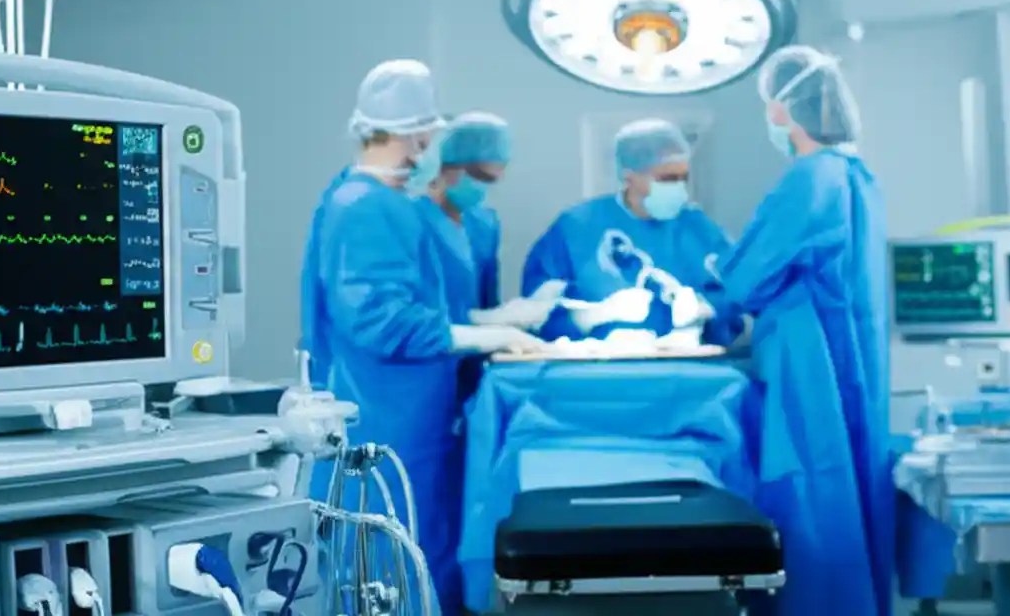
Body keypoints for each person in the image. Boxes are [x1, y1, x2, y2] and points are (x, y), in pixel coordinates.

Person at [297, 59, 543, 615]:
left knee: (422, 555)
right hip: (387, 419)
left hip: (414, 418)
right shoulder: (362, 206)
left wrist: (487, 322)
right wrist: (477, 336)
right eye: (430, 135)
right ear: (414, 137)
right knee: (389, 570)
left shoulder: (386, 202)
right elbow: (379, 320)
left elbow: (416, 302)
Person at [712, 45, 892, 616]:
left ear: (781, 109)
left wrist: (710, 292)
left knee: (813, 496)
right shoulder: (855, 176)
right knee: (849, 494)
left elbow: (749, 276)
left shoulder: (810, 179)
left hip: (810, 369)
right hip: (849, 362)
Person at [521, 118, 744, 344]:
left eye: (683, 178)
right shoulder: (577, 227)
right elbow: (537, 311)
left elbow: (736, 295)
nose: (679, 187)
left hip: (686, 360)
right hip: (595, 362)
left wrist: (707, 310)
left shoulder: (698, 229)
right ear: (629, 176)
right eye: (667, 179)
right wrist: (591, 316)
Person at [412, 111, 564, 403]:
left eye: (493, 179)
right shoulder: (411, 220)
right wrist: (485, 321)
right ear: (446, 166)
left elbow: (485, 300)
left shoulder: (483, 224)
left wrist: (510, 317)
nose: (484, 187)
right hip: (420, 372)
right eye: (479, 176)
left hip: (469, 371)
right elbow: (407, 315)